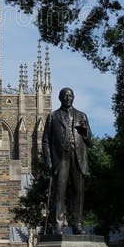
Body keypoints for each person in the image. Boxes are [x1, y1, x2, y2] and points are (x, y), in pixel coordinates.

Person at [42, 87, 92, 234]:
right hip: (60, 158)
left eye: (70, 96)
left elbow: (90, 142)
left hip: (78, 158)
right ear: (60, 98)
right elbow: (45, 140)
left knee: (78, 192)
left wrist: (85, 133)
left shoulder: (82, 116)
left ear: (74, 97)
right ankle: (58, 224)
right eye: (65, 96)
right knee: (59, 192)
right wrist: (48, 160)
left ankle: (77, 223)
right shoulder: (53, 117)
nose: (68, 98)